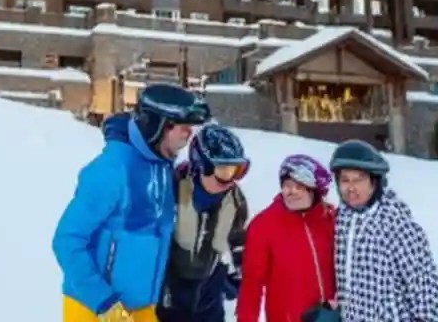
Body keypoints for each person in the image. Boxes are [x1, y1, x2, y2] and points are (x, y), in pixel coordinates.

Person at [52, 84, 212, 322]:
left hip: (141, 307)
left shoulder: (162, 166)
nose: (189, 135)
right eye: (184, 127)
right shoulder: (111, 170)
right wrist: (103, 302)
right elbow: (67, 240)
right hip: (94, 308)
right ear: (159, 125)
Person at [329, 140, 438, 322]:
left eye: (359, 179)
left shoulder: (396, 224)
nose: (351, 187)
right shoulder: (341, 221)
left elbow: (424, 285)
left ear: (374, 182)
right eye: (345, 180)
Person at [156, 124, 251, 322]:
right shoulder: (171, 189)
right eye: (224, 171)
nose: (231, 179)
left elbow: (237, 236)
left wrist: (241, 272)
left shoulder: (234, 200)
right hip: (170, 284)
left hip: (209, 285)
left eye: (237, 171)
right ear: (203, 166)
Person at [236, 154, 338, 322]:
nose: (291, 192)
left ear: (315, 190)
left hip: (331, 317)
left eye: (299, 186)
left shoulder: (330, 220)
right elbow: (251, 285)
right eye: (287, 185)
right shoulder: (263, 225)